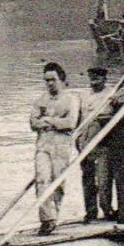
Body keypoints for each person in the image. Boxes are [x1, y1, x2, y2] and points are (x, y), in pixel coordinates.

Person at [29, 62, 81, 234]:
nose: (50, 83)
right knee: (42, 179)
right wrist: (54, 122)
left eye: (53, 79)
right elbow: (33, 123)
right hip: (43, 144)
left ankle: (54, 217)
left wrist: (47, 120)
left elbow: (70, 123)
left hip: (61, 145)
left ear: (61, 80)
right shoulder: (40, 100)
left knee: (58, 181)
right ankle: (47, 219)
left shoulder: (71, 99)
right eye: (47, 80)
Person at [78, 67, 116, 222]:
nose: (94, 80)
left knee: (104, 179)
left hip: (103, 143)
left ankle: (107, 210)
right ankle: (90, 212)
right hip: (85, 143)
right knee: (87, 179)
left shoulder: (111, 94)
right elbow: (79, 118)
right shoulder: (84, 96)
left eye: (97, 77)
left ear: (104, 78)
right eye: (91, 77)